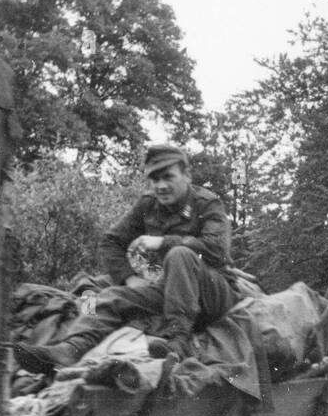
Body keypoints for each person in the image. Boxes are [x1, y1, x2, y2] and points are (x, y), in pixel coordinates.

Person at [14, 144, 240, 374]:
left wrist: (165, 242)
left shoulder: (207, 203)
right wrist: (130, 279)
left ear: (187, 175)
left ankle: (179, 342)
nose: (160, 186)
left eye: (168, 177)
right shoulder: (149, 205)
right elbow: (110, 242)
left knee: (179, 254)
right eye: (154, 179)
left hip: (213, 292)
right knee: (106, 295)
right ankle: (70, 348)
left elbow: (217, 249)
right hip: (172, 289)